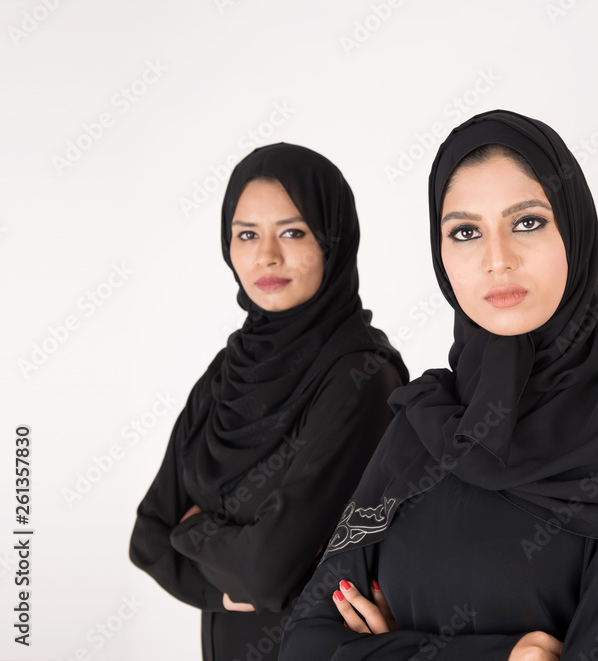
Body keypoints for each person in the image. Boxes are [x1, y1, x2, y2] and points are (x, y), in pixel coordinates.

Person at [278, 110, 598, 660]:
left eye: (527, 222)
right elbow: (304, 646)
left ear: (574, 230)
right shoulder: (423, 421)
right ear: (441, 255)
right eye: (466, 232)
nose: (497, 260)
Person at [129, 142, 407, 661]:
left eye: (293, 232)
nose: (267, 257)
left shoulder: (362, 377)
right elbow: (147, 537)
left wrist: (191, 529)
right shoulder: (227, 371)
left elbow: (268, 571)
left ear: (334, 240)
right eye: (247, 234)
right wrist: (222, 591)